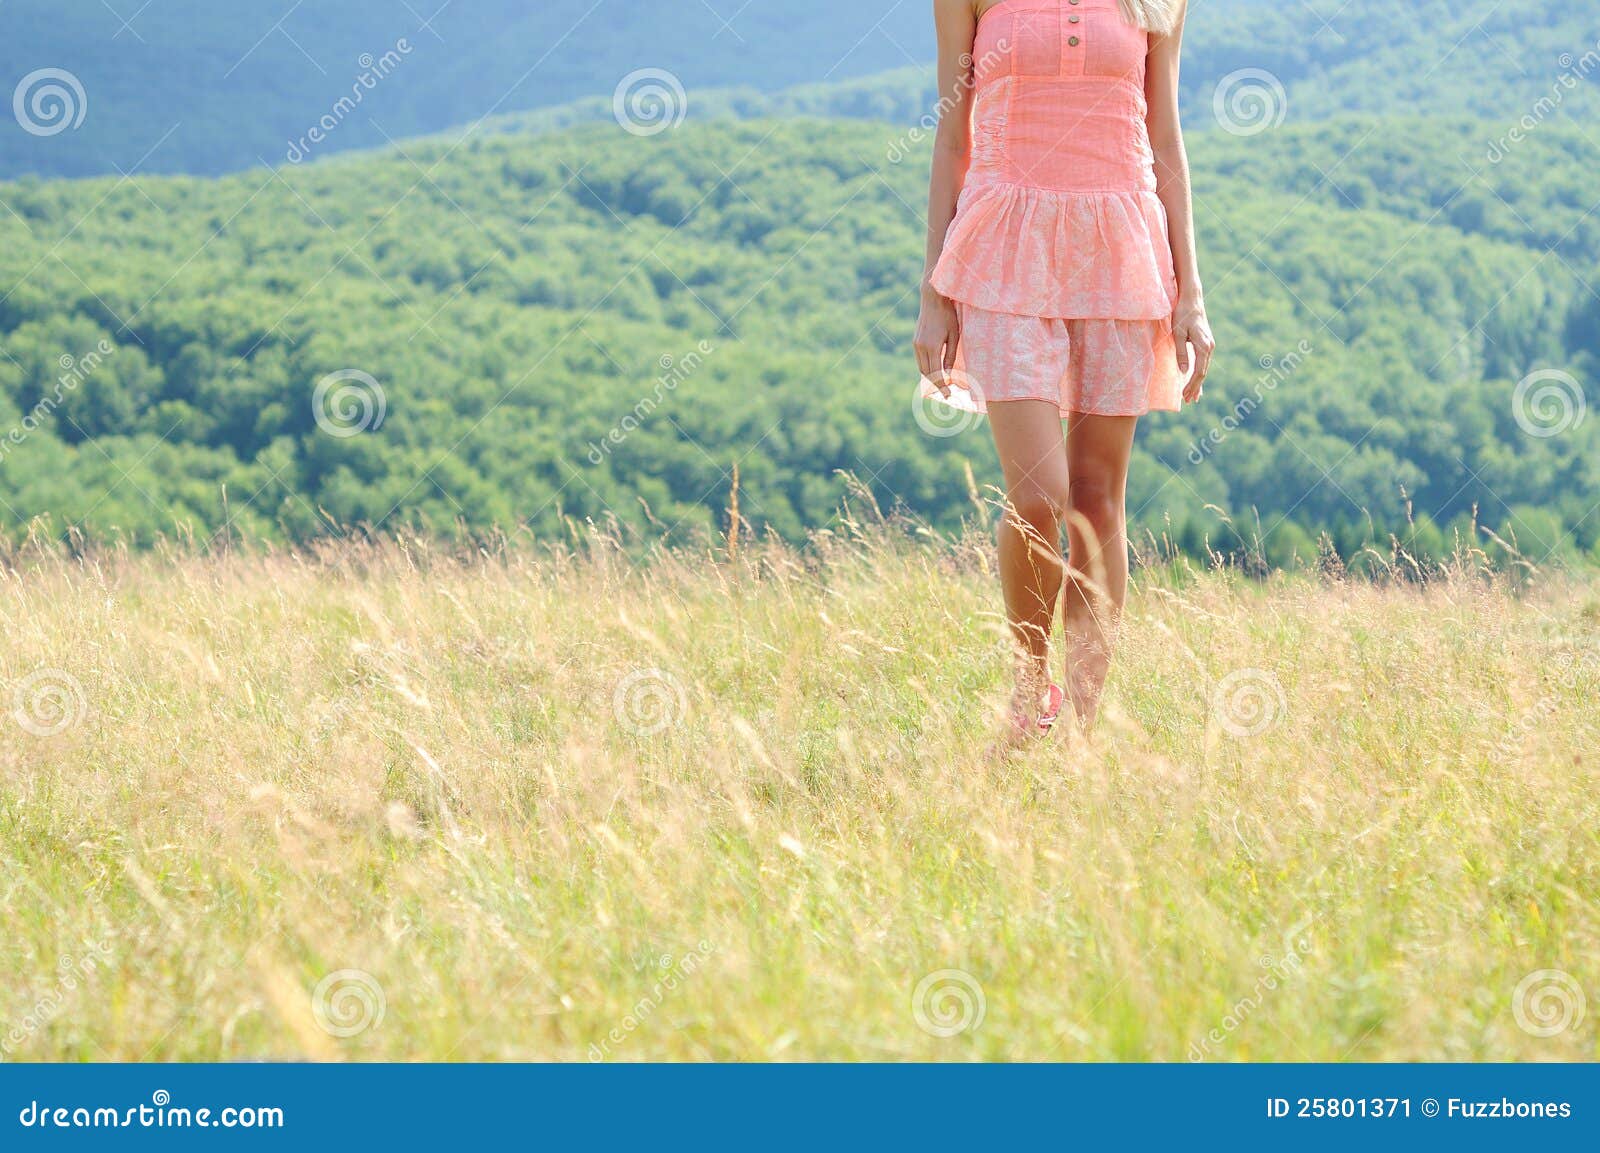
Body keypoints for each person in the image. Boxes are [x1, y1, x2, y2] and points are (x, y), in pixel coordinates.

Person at [915, 0, 1214, 737]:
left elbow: (1166, 140)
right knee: (1039, 496)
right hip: (1004, 247)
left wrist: (1192, 293)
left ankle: (1083, 728)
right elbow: (953, 134)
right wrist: (933, 293)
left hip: (1120, 245)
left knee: (1097, 501)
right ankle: (1028, 693)